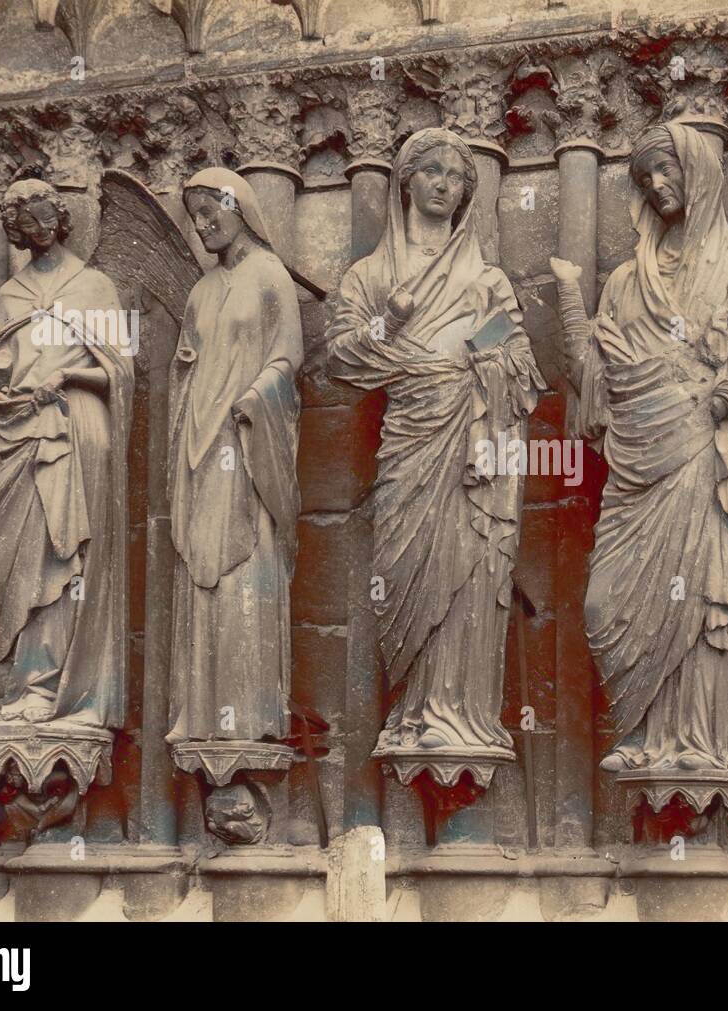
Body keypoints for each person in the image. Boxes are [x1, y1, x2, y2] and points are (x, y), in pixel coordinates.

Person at [551, 120, 728, 773]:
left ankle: (699, 742)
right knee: (605, 603)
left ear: (700, 172)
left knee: (704, 592)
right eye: (646, 177)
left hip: (707, 451)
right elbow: (594, 379)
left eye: (668, 169)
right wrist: (572, 308)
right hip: (638, 459)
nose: (658, 185)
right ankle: (642, 729)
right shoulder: (627, 282)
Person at [326, 128, 545, 756]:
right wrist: (388, 320)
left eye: (456, 177)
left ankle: (463, 713)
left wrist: (484, 364)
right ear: (405, 181)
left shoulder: (485, 281)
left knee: (470, 564)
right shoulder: (370, 275)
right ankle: (415, 712)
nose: (444, 185)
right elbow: (339, 356)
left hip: (472, 438)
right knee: (404, 566)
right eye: (431, 171)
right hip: (409, 443)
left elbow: (524, 365)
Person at [0, 173, 132, 730]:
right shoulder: (9, 294)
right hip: (22, 433)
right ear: (15, 231)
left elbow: (120, 367)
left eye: (46, 213)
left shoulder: (93, 286)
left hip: (75, 430)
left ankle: (57, 688)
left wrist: (67, 373)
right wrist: (10, 386)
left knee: (65, 553)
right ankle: (23, 682)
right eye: (25, 220)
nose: (38, 226)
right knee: (17, 556)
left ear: (61, 216)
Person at [166, 168, 302, 746]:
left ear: (239, 207)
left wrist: (256, 397)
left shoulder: (270, 275)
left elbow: (289, 357)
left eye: (210, 210)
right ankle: (199, 714)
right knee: (202, 579)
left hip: (247, 442)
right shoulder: (200, 290)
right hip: (201, 444)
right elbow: (185, 367)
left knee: (248, 569)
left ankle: (251, 715)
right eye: (193, 215)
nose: (201, 224)